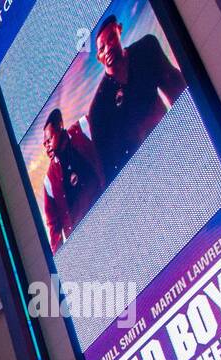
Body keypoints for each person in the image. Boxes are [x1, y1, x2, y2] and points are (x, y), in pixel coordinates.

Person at [86, 15, 187, 180]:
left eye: (111, 39)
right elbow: (108, 167)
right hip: (143, 176)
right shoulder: (98, 109)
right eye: (102, 48)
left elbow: (179, 89)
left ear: (119, 30)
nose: (108, 49)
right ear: (99, 57)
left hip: (173, 145)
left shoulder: (146, 49)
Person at [39, 109, 105, 252]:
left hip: (108, 214)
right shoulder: (49, 181)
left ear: (60, 126)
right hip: (86, 242)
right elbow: (54, 228)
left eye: (49, 140)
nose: (47, 147)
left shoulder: (82, 128)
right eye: (44, 144)